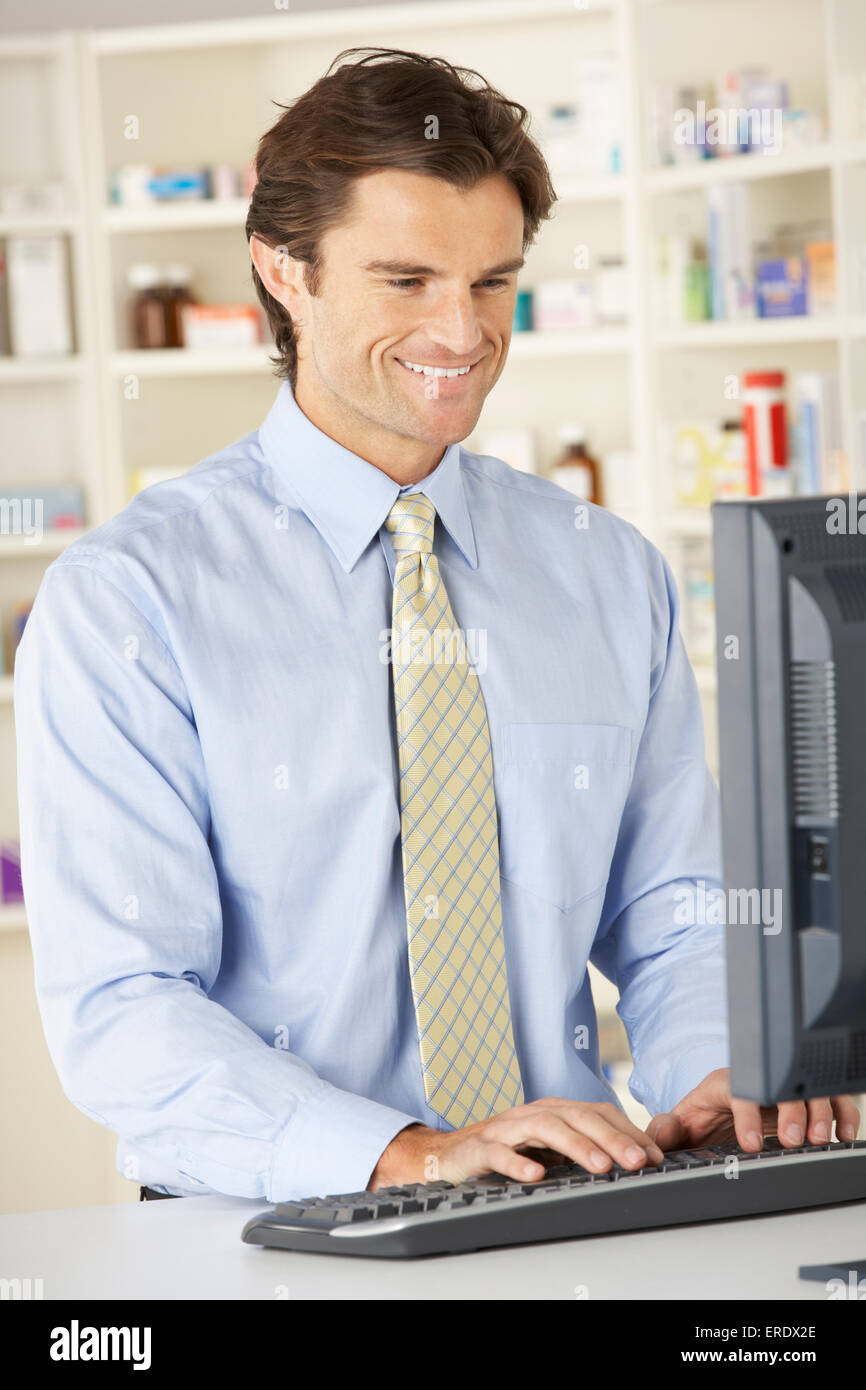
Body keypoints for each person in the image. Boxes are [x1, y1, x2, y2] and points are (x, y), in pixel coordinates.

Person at [14, 48, 858, 1204]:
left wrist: (713, 1070)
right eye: (405, 281)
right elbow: (124, 1005)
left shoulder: (605, 571)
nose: (460, 334)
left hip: (564, 1199)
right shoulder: (129, 600)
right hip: (265, 1225)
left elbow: (671, 911)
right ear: (282, 271)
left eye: (491, 283)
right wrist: (404, 1153)